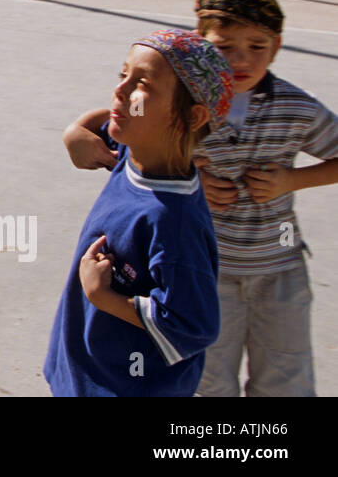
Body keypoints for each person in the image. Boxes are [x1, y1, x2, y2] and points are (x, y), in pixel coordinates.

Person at [51, 29, 234, 396]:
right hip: (87, 370)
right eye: (123, 75)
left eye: (143, 84)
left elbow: (193, 326)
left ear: (193, 116)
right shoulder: (135, 150)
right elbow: (103, 121)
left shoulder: (173, 223)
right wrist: (76, 131)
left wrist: (103, 298)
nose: (120, 91)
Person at [188, 0, 338, 396]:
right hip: (202, 269)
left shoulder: (297, 107)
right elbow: (136, 157)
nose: (241, 59)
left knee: (285, 381)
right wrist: (191, 179)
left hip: (279, 270)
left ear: (277, 45)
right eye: (224, 46)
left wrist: (294, 179)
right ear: (200, 42)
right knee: (205, 381)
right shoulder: (181, 103)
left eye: (257, 46)